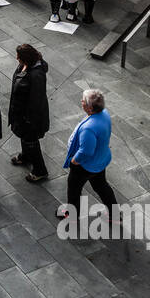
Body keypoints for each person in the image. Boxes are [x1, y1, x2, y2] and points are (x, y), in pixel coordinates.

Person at [57, 88, 118, 223]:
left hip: (85, 166)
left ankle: (72, 215)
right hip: (100, 160)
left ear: (89, 108)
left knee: (74, 188)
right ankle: (115, 215)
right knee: (101, 186)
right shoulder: (104, 114)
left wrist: (74, 161)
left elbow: (86, 151)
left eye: (83, 101)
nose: (81, 102)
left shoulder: (89, 128)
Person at [9, 44, 49, 182]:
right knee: (24, 137)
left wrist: (28, 119)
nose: (16, 58)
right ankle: (25, 156)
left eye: (19, 56)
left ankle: (40, 170)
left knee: (31, 141)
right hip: (21, 113)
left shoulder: (36, 74)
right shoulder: (24, 65)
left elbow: (36, 100)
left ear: (26, 58)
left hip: (30, 117)